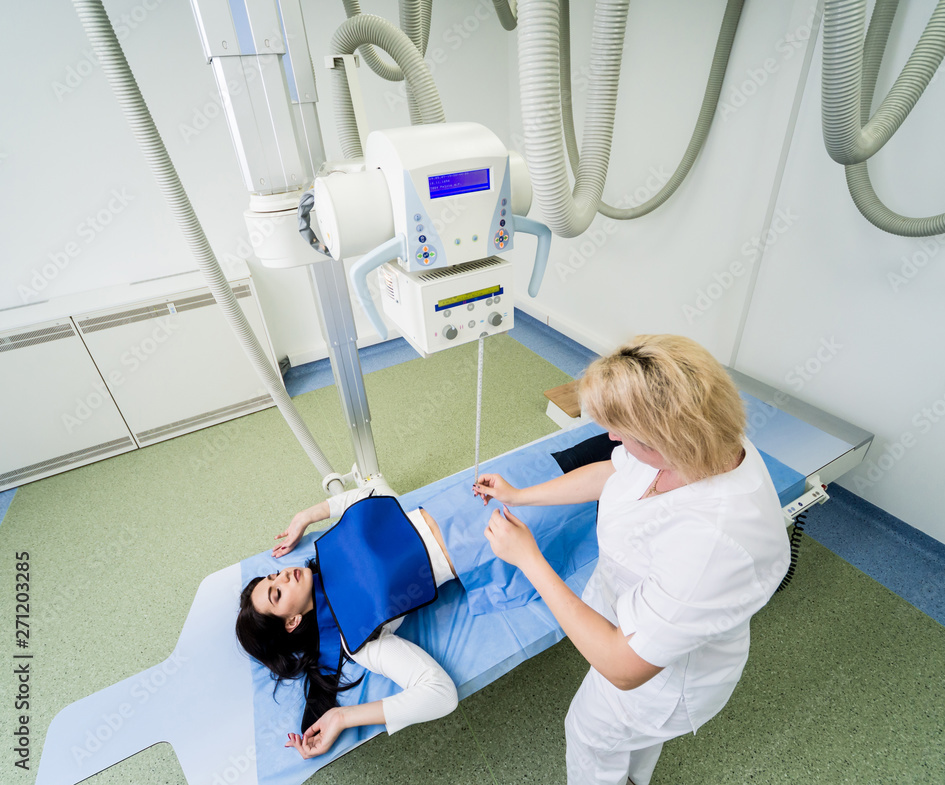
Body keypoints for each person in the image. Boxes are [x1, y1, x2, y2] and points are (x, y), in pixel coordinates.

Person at [474, 334, 792, 785]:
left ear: (665, 436)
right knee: (626, 744)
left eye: (621, 430)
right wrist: (520, 496)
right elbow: (616, 470)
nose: (611, 437)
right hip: (631, 619)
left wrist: (528, 559)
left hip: (661, 681)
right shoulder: (702, 442)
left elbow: (624, 669)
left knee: (591, 736)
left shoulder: (712, 543)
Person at [236, 488, 460, 760]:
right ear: (292, 622)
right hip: (469, 538)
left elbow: (373, 497)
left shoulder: (332, 554)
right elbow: (441, 695)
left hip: (459, 494)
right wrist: (342, 717)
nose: (283, 576)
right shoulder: (359, 637)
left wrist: (306, 516)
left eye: (273, 576)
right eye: (277, 593)